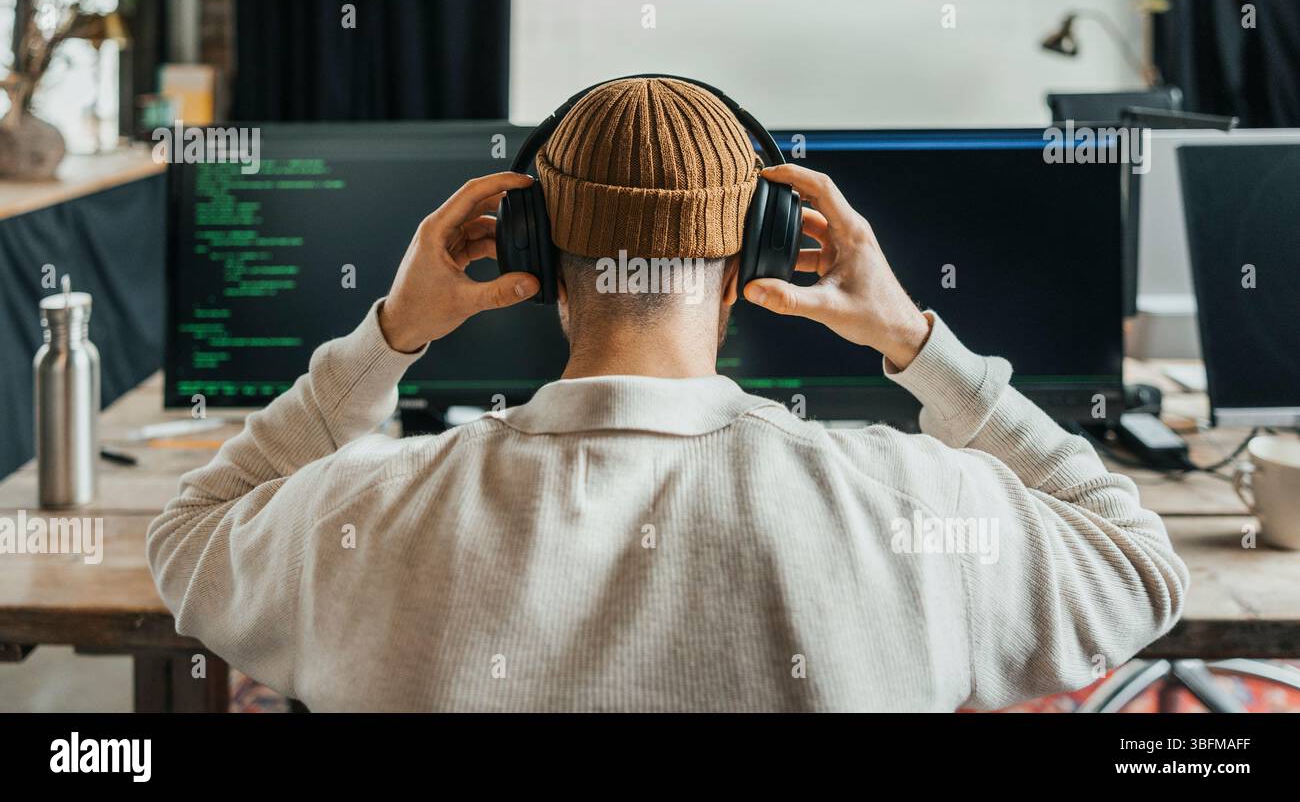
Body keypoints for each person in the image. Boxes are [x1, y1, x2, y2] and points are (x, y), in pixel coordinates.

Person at [148, 78, 1188, 711]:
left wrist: (389, 334)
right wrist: (916, 341)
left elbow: (188, 532)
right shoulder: (918, 505)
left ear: (536, 260)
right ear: (756, 263)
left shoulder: (358, 514)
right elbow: (1139, 566)